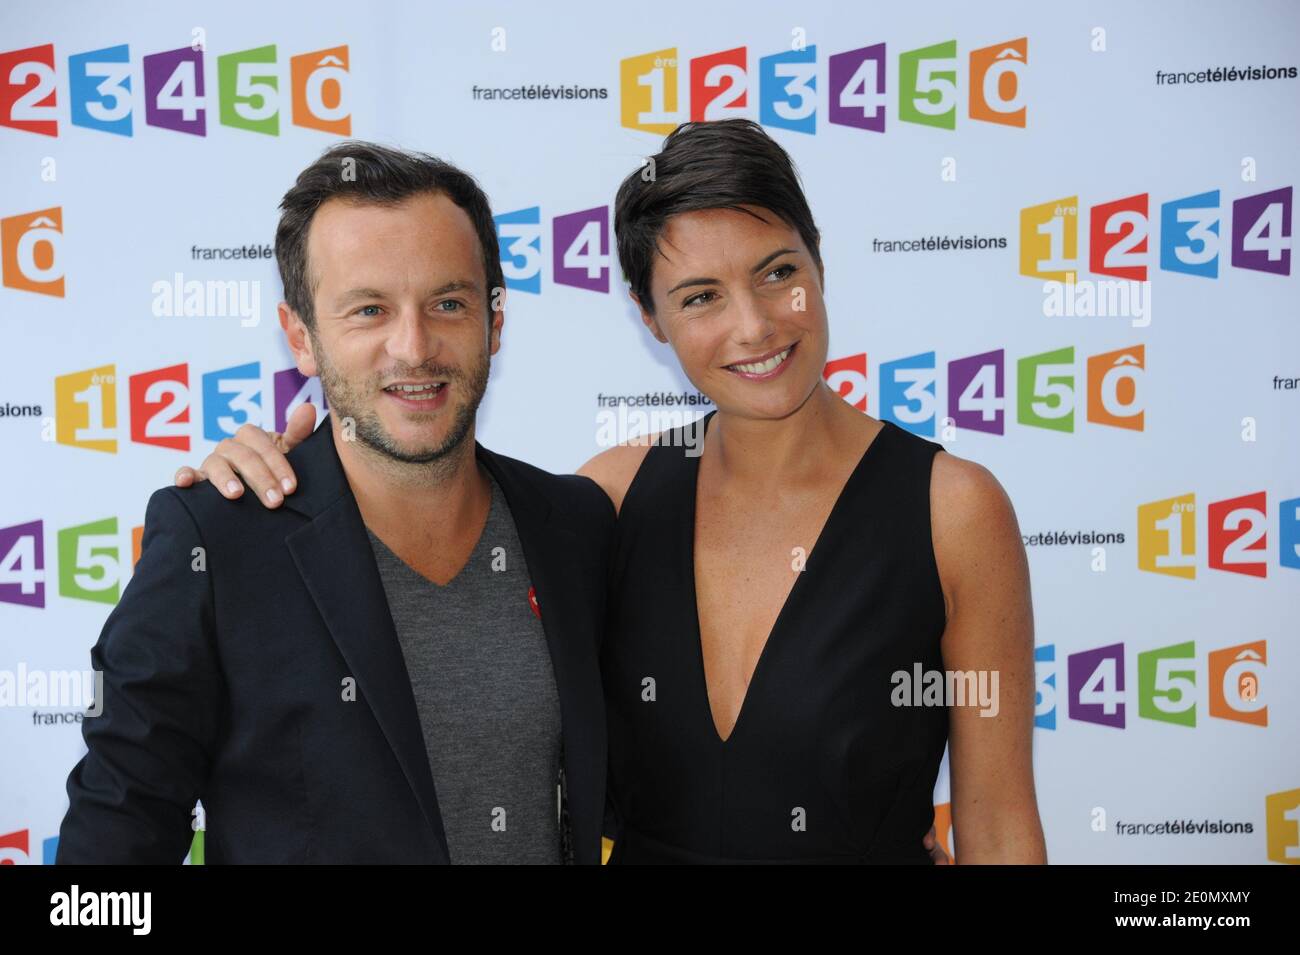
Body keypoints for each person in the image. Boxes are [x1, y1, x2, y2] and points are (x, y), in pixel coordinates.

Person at [179, 123, 1036, 864]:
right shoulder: (607, 503)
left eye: (777, 272)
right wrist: (281, 462)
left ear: (820, 261)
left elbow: (997, 825)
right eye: (700, 296)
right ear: (651, 318)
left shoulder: (951, 509)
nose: (754, 324)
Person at [57, 143, 614, 864]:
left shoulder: (576, 527)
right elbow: (105, 862)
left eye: (448, 302)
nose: (413, 348)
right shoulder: (216, 541)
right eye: (368, 309)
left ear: (494, 320)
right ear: (302, 338)